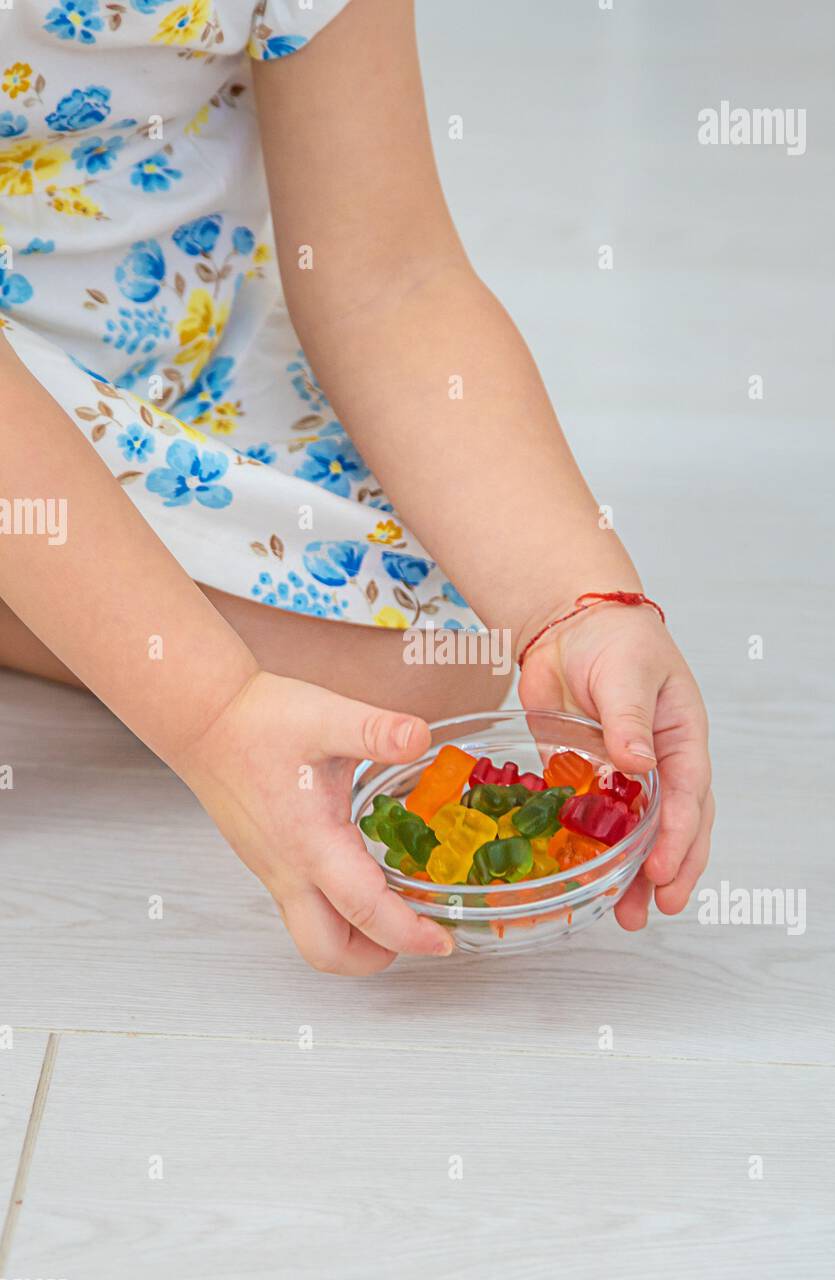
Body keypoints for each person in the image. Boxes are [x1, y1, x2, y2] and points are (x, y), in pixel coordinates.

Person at [0, 0, 713, 973]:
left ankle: (51, 579)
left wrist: (575, 602)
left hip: (168, 349)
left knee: (435, 657)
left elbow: (388, 275)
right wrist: (212, 715)